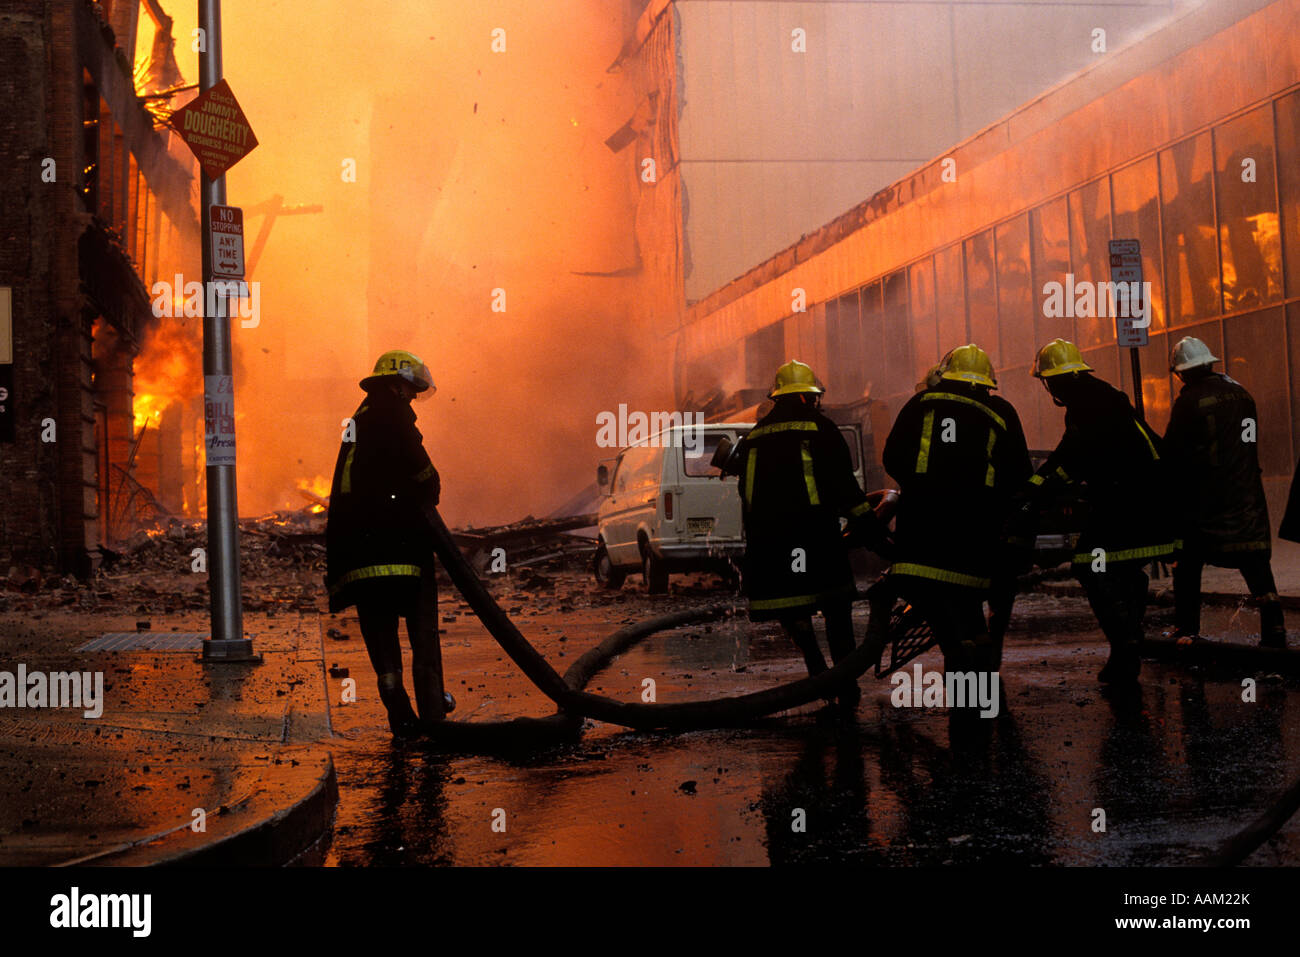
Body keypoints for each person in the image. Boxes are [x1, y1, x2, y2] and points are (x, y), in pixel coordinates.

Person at [729, 360, 889, 717]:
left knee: (791, 605)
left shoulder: (754, 438)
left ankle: (816, 666)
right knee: (836, 606)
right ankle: (845, 681)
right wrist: (877, 538)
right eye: (813, 396)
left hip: (770, 542)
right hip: (816, 537)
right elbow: (846, 492)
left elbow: (746, 495)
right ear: (804, 396)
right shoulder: (822, 429)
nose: (816, 402)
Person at [1023, 339, 1176, 685]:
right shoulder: (1097, 396)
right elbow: (1071, 452)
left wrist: (1040, 488)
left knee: (1088, 565)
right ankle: (1128, 648)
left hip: (1128, 500)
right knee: (1126, 570)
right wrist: (1037, 481)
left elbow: (1075, 459)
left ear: (1056, 379)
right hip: (1145, 497)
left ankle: (1125, 643)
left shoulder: (1088, 403)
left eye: (1047, 380)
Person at [881, 344, 1031, 681]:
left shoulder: (919, 405)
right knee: (967, 602)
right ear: (986, 381)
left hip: (920, 535)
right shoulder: (998, 412)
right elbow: (1018, 473)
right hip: (975, 540)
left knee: (938, 603)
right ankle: (977, 662)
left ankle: (962, 662)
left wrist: (923, 484)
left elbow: (892, 457)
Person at [325, 349, 454, 737]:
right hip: (399, 549)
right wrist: (426, 492)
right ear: (396, 386)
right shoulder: (393, 416)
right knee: (421, 633)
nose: (413, 398)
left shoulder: (357, 422)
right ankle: (433, 713)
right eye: (410, 391)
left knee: (380, 637)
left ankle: (399, 714)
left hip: (358, 557)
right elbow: (425, 476)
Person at [1163, 336, 1286, 648]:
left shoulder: (1189, 401)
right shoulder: (1242, 394)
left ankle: (1186, 629)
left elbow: (1174, 455)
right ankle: (1275, 632)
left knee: (1188, 562)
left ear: (1183, 372)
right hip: (1247, 496)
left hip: (1207, 501)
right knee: (1257, 565)